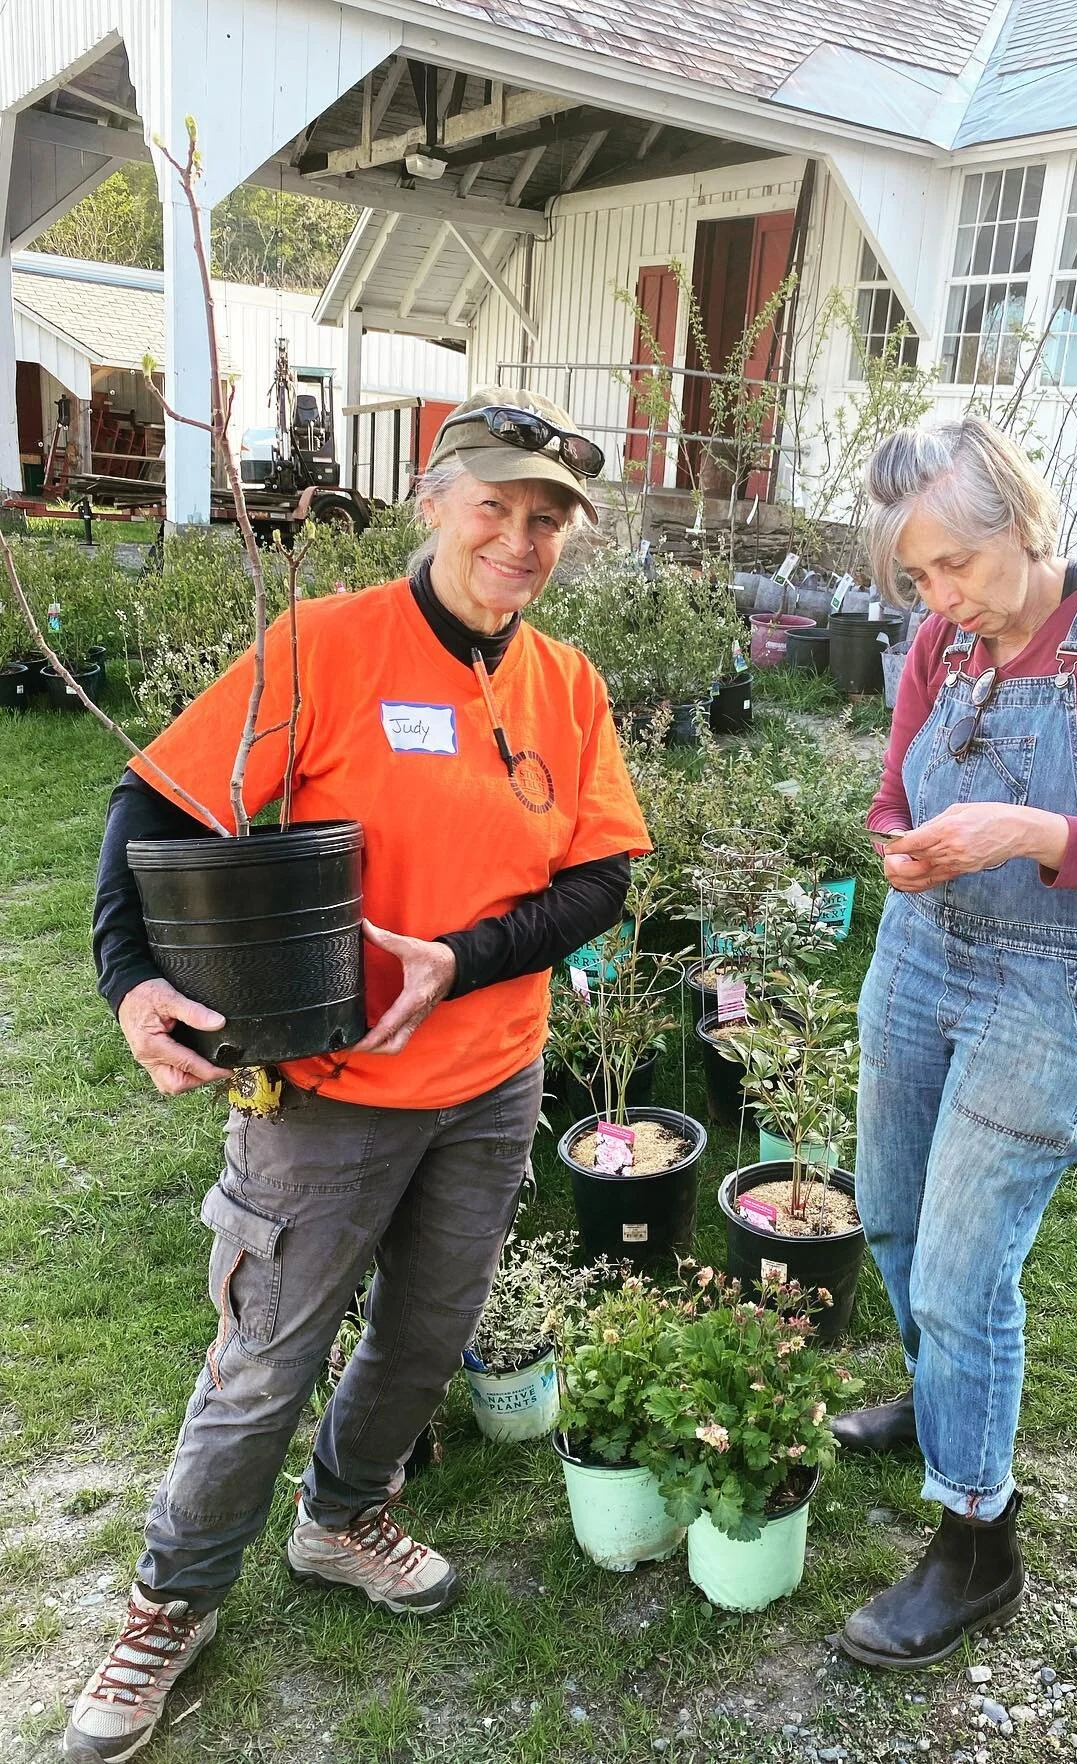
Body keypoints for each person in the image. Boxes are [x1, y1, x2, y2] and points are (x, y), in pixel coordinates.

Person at [69, 390, 650, 1762]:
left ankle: (342, 1518)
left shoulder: (564, 684)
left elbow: (605, 878)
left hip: (492, 1082)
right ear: (435, 502)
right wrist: (130, 982)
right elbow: (155, 801)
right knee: (263, 1359)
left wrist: (459, 958)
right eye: (496, 506)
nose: (519, 538)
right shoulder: (326, 648)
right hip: (328, 1093)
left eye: (547, 519)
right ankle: (171, 1596)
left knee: (426, 1334)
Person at [834, 418, 1077, 1671]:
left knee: (962, 1274)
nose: (939, 603)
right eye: (915, 580)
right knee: (886, 1216)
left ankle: (978, 1547)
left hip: (1055, 984)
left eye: (955, 568)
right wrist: (903, 841)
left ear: (1023, 522)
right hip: (925, 948)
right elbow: (897, 789)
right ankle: (941, 1399)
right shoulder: (943, 643)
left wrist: (1028, 831)